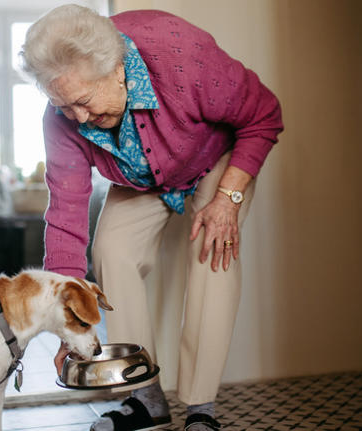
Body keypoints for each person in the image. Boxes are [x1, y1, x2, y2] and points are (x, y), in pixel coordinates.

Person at [20, 5, 283, 431]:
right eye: (63, 106)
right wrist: (67, 320)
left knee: (212, 252)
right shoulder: (63, 118)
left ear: (115, 69)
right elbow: (66, 218)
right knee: (111, 250)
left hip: (215, 157)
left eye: (83, 102)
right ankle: (145, 400)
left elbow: (264, 115)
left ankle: (202, 411)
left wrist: (228, 200)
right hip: (141, 173)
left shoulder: (183, 58)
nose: (79, 119)